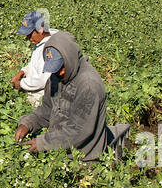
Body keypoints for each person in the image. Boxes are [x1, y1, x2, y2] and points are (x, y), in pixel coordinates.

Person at [15, 31, 115, 163]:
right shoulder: (56, 75)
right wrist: (28, 124)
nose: (59, 72)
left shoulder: (89, 85)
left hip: (83, 158)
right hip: (58, 148)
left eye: (61, 67)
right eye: (54, 69)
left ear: (70, 58)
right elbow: (47, 109)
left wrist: (42, 143)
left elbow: (79, 130)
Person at [12, 11, 56, 107]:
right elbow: (34, 64)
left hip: (45, 101)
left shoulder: (52, 47)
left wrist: (21, 84)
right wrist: (22, 72)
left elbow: (44, 79)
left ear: (40, 30)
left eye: (29, 34)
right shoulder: (39, 43)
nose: (28, 38)